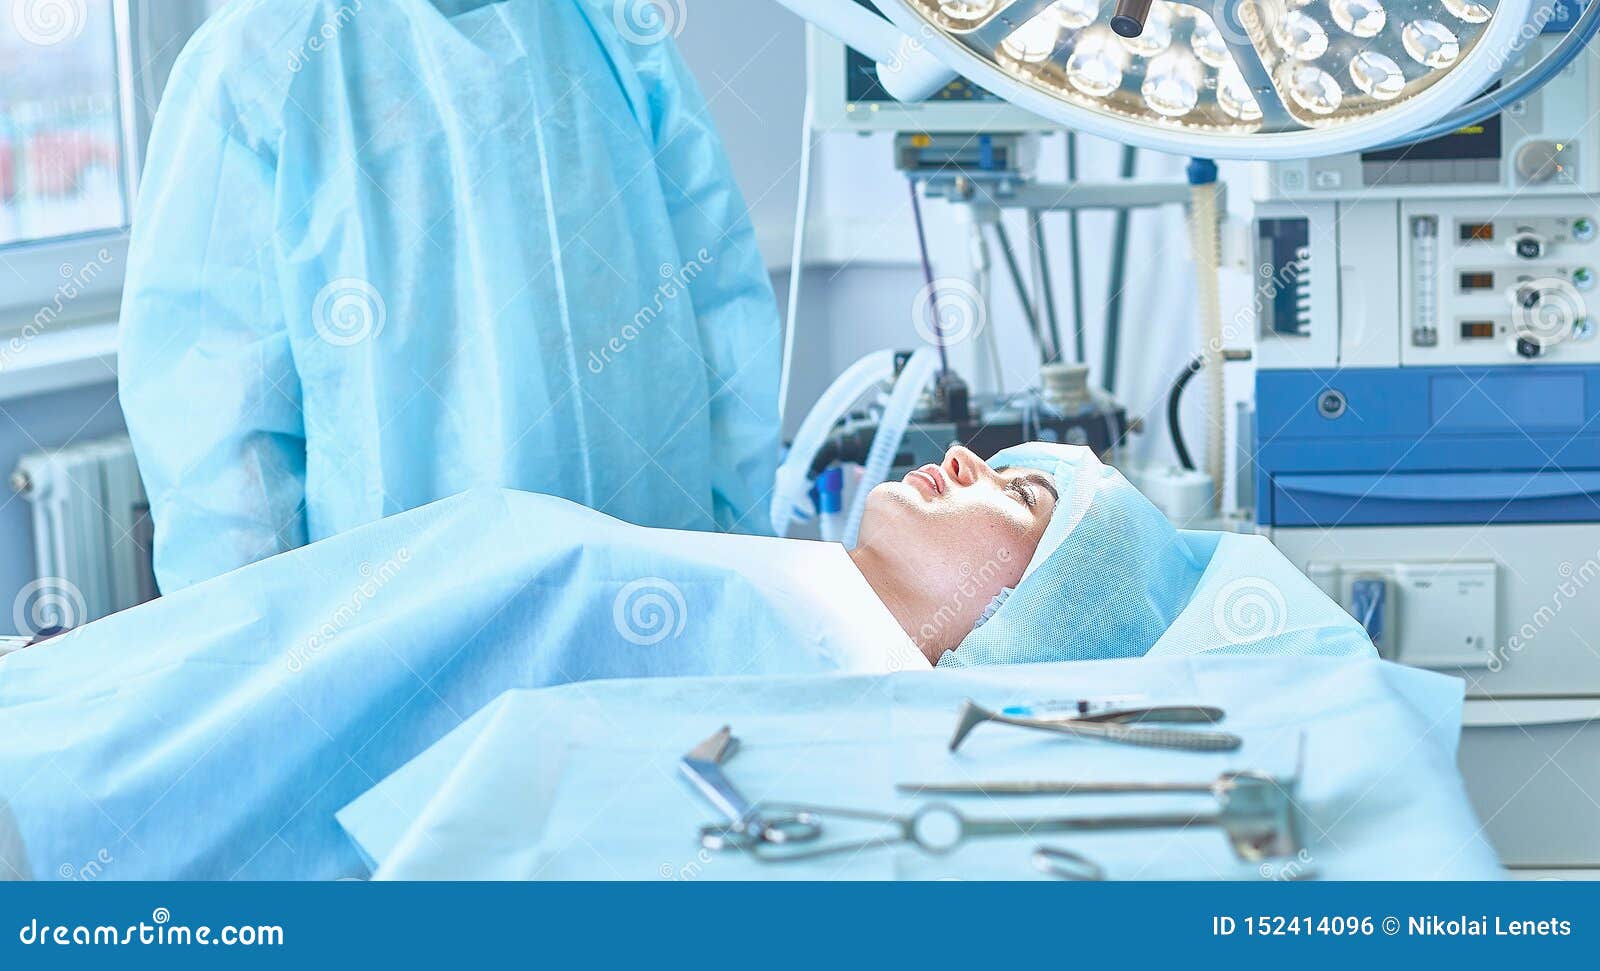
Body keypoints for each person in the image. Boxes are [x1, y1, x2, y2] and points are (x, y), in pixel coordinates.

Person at [0, 443, 1371, 879]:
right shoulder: (750, 605)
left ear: (1020, 632)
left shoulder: (780, 685)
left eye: (1019, 499)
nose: (968, 456)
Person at [118, 0, 781, 594]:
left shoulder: (613, 30)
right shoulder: (261, 59)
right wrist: (273, 663)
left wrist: (739, 570)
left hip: (657, 582)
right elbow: (220, 433)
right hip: (395, 624)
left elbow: (719, 309)